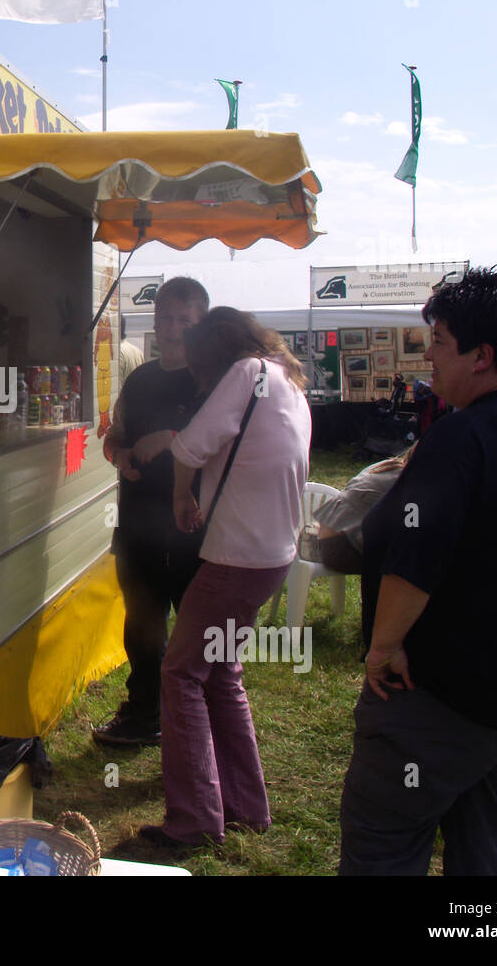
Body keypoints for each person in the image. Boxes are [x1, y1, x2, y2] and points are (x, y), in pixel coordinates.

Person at [339, 267, 497, 876]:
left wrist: (384, 646)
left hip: (449, 693)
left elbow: (414, 556)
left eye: (440, 342)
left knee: (384, 836)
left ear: (481, 356)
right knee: (489, 840)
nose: (428, 356)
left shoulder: (464, 435)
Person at [130, 307, 311, 848]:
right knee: (222, 671)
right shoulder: (286, 378)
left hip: (237, 556)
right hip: (273, 553)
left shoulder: (245, 373)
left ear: (214, 354)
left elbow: (191, 445)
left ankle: (194, 821)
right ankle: (245, 806)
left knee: (182, 673)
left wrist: (183, 493)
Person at [95, 277, 210, 745]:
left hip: (193, 532)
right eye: (165, 318)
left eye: (185, 320)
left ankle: (197, 724)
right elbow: (113, 437)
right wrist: (120, 455)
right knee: (142, 624)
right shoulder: (140, 378)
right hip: (138, 527)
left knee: (196, 634)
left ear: (201, 323)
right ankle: (144, 714)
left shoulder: (213, 382)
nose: (173, 329)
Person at [307, 446, 414, 575]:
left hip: (330, 533)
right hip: (338, 547)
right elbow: (412, 527)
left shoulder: (390, 465)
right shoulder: (408, 482)